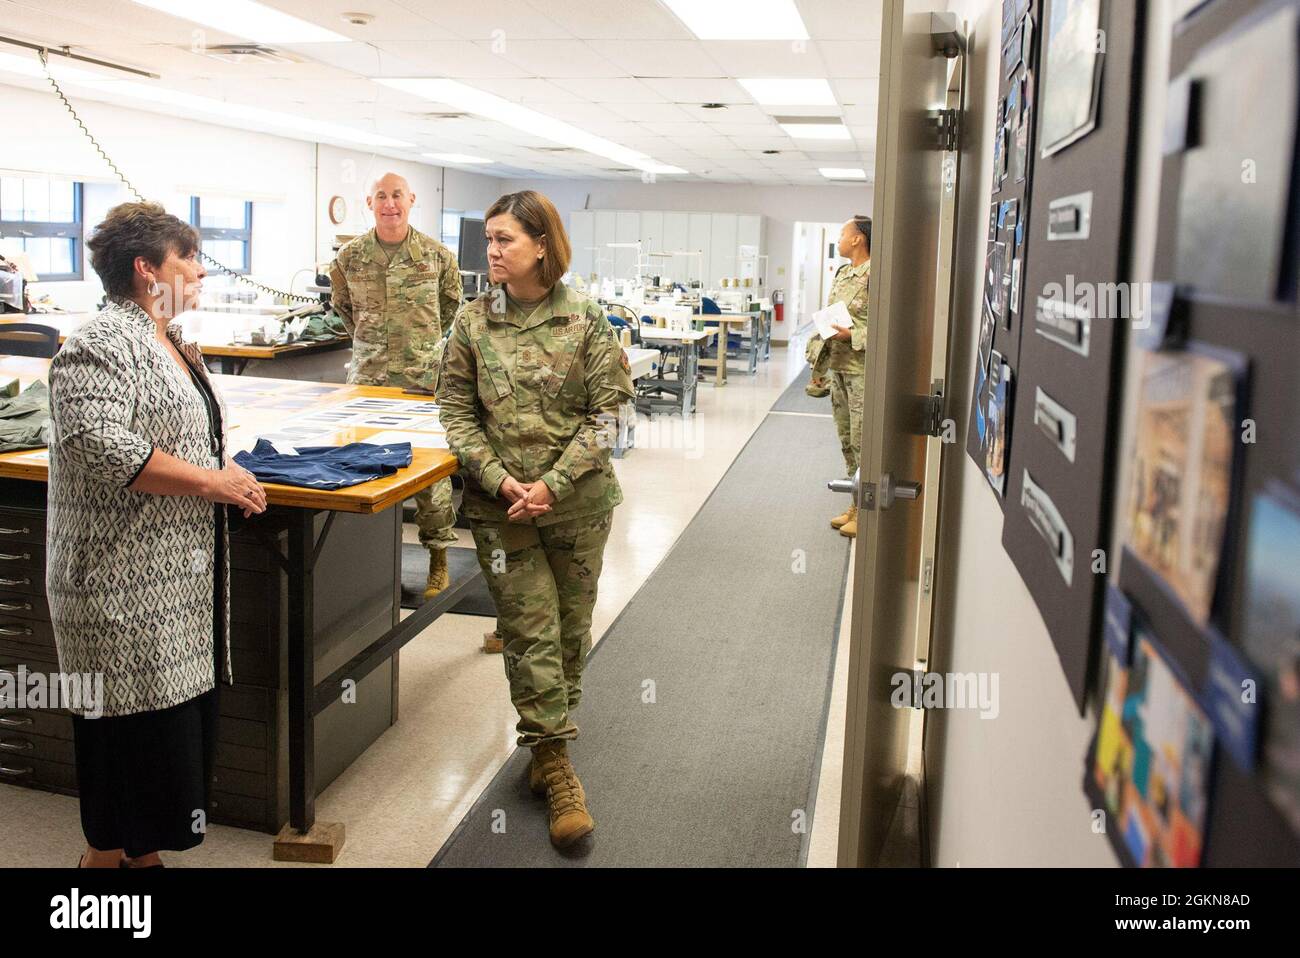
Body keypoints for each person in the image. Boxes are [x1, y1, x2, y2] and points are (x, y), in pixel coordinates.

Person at [47, 201, 267, 868]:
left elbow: (175, 434)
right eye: (187, 259)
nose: (199, 271)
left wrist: (222, 467)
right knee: (126, 740)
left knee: (162, 742)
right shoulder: (99, 344)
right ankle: (106, 865)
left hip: (172, 589)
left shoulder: (170, 340)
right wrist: (213, 484)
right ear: (146, 270)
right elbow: (103, 448)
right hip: (116, 587)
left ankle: (136, 860)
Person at [436, 190, 634, 848]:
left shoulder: (587, 320)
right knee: (530, 632)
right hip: (502, 515)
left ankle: (548, 743)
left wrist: (552, 483)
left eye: (505, 241)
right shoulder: (471, 322)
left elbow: (611, 413)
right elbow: (456, 413)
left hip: (577, 507)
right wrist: (498, 479)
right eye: (489, 240)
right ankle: (555, 764)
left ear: (542, 245)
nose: (491, 252)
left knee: (571, 634)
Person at [329, 172, 462, 597]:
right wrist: (374, 346)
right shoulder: (349, 258)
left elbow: (449, 309)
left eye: (397, 196)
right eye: (381, 196)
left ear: (411, 200)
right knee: (360, 467)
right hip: (368, 382)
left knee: (429, 472)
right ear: (369, 203)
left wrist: (418, 348)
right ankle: (358, 565)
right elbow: (345, 310)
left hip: (422, 382)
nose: (390, 203)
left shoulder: (437, 256)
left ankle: (438, 559)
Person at [825, 215, 872, 538]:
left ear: (857, 239)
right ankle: (854, 505)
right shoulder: (842, 273)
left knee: (862, 441)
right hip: (838, 368)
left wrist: (853, 337)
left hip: (861, 370)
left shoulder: (876, 275)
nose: (839, 239)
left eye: (843, 234)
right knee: (846, 440)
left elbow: (887, 327)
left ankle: (866, 512)